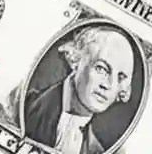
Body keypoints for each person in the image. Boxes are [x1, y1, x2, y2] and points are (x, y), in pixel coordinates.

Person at [24, 26, 136, 154]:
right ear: (75, 60)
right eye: (101, 69)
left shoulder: (96, 150)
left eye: (120, 78)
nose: (108, 85)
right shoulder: (24, 106)